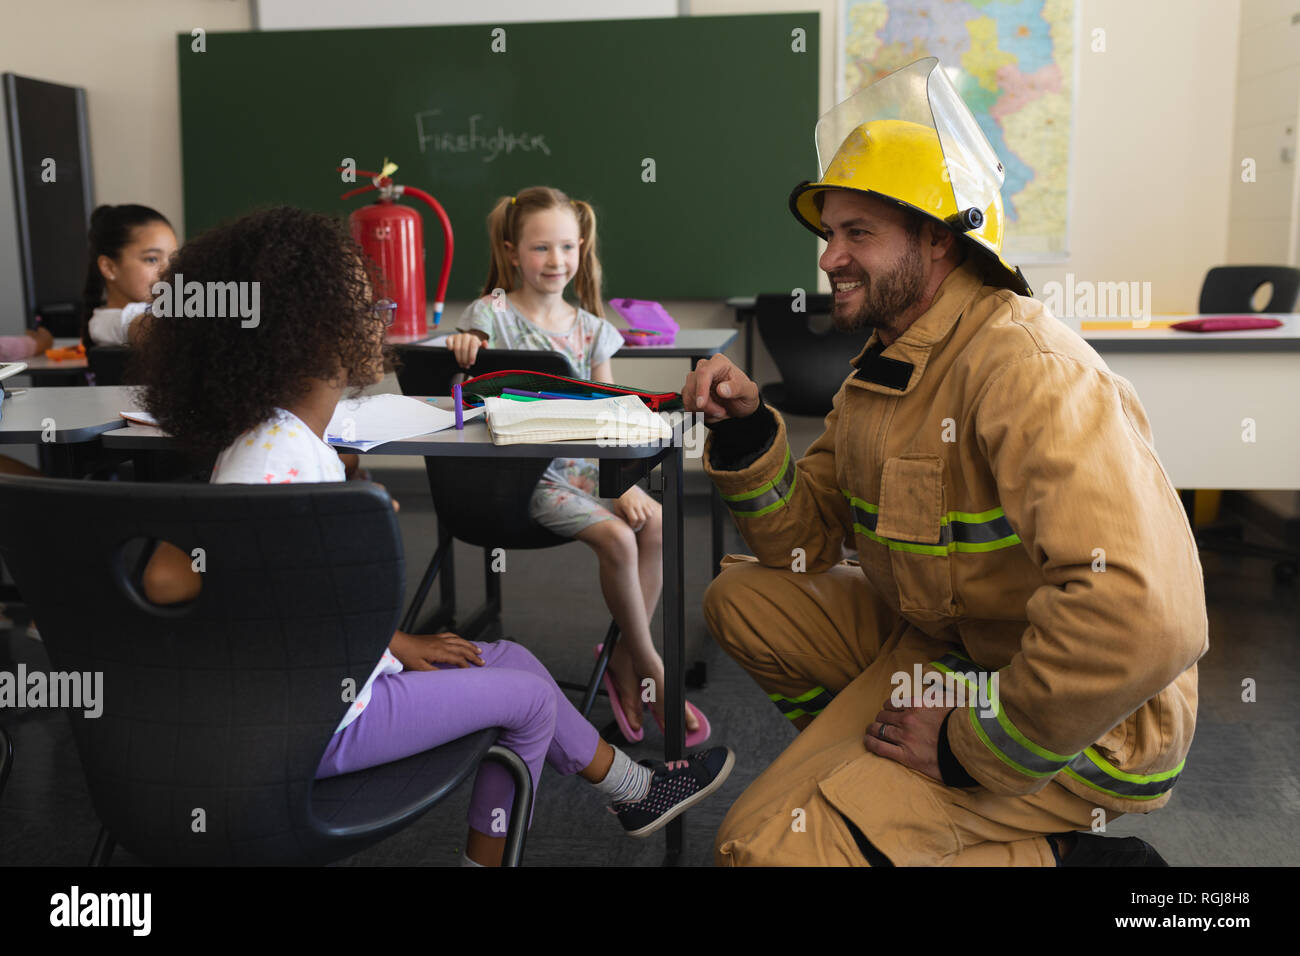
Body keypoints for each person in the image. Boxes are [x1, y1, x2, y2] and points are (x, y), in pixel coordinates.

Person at [684, 58, 1206, 867]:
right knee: (742, 599)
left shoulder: (1027, 367)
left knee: (763, 851)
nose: (829, 259)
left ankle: (1060, 851)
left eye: (859, 233)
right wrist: (750, 434)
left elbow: (1144, 617)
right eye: (830, 235)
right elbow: (804, 544)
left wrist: (970, 747)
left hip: (1096, 724)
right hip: (954, 654)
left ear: (937, 240)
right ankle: (885, 780)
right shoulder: (887, 367)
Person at [134, 205, 733, 866]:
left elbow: (235, 580)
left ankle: (634, 790)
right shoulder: (280, 456)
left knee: (507, 659)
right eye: (369, 307)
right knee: (529, 699)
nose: (382, 317)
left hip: (317, 694)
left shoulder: (275, 438)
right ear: (319, 335)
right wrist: (381, 640)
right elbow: (182, 579)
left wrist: (393, 642)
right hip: (316, 723)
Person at [443, 186, 709, 746]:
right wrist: (465, 346)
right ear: (512, 251)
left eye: (567, 247)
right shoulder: (488, 315)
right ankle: (652, 669)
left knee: (653, 519)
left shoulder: (592, 329)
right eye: (541, 248)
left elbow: (613, 415)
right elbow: (461, 386)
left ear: (582, 248)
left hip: (582, 471)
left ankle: (618, 659)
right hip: (522, 478)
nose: (556, 261)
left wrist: (627, 482)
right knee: (617, 536)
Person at [80, 204, 177, 347]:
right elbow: (152, 329)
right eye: (152, 259)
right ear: (109, 268)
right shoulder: (105, 323)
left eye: (173, 259)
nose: (168, 270)